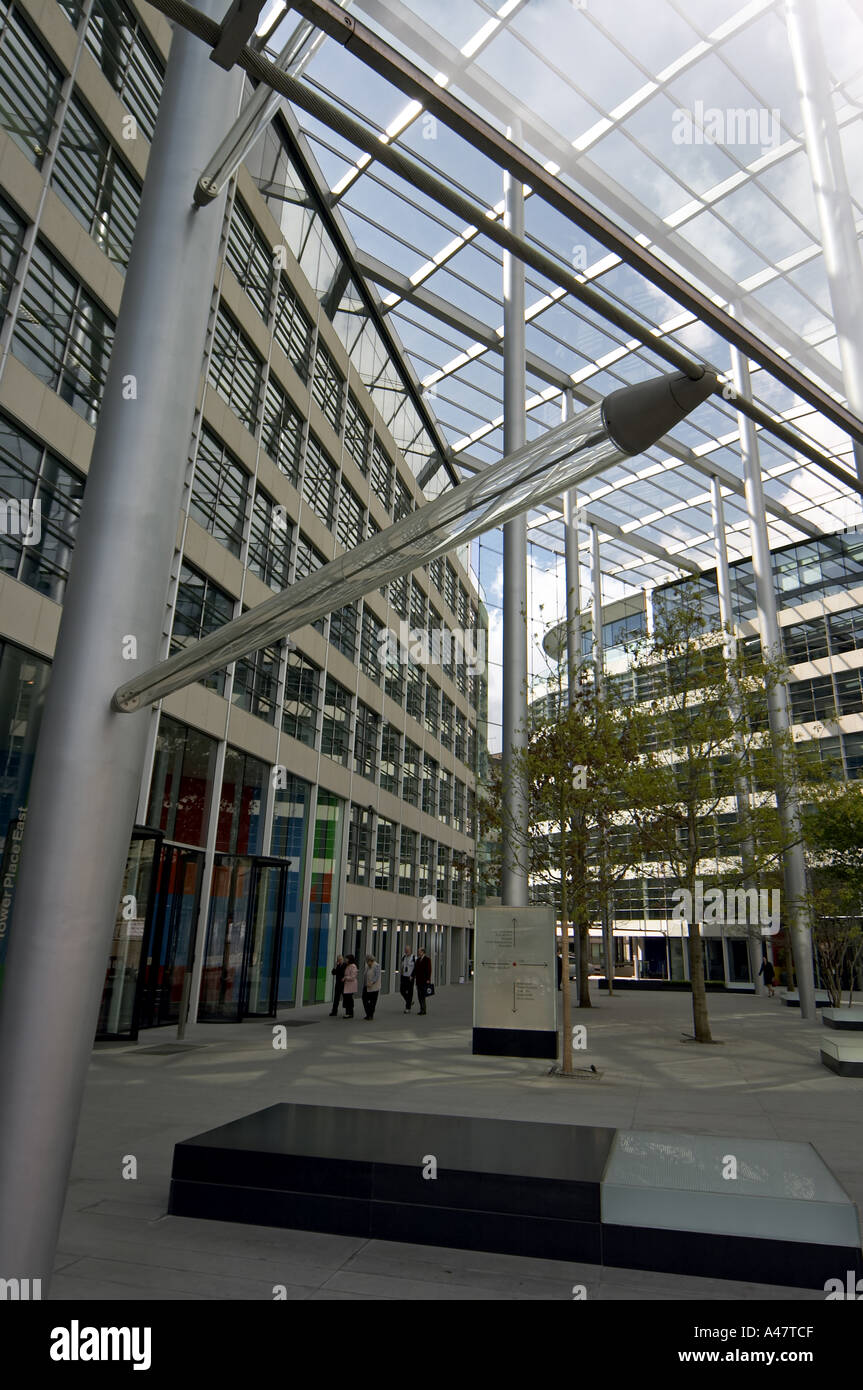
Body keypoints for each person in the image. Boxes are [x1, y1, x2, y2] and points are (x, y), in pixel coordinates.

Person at [414, 946, 432, 1015]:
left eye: (419, 951)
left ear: (423, 952)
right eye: (418, 951)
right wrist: (412, 976)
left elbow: (429, 970)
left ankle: (423, 1010)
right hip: (418, 980)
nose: (418, 953)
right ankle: (422, 1008)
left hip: (424, 980)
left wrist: (428, 979)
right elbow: (415, 969)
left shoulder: (427, 959)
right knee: (419, 995)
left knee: (422, 995)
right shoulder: (418, 960)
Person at [362, 955, 381, 1019]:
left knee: (373, 1002)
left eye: (368, 961)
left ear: (371, 960)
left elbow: (377, 976)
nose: (367, 963)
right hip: (366, 986)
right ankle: (368, 1013)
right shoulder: (367, 966)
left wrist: (372, 982)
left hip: (374, 987)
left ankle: (370, 1015)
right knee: (364, 999)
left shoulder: (376, 966)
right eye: (367, 961)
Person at [399, 944, 416, 1013]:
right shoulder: (403, 957)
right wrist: (401, 975)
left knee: (410, 992)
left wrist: (413, 976)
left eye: (407, 950)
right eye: (405, 950)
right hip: (404, 976)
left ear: (410, 950)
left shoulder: (414, 958)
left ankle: (407, 1008)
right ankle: (409, 1001)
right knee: (402, 990)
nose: (406, 951)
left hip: (410, 977)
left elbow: (416, 968)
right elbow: (402, 967)